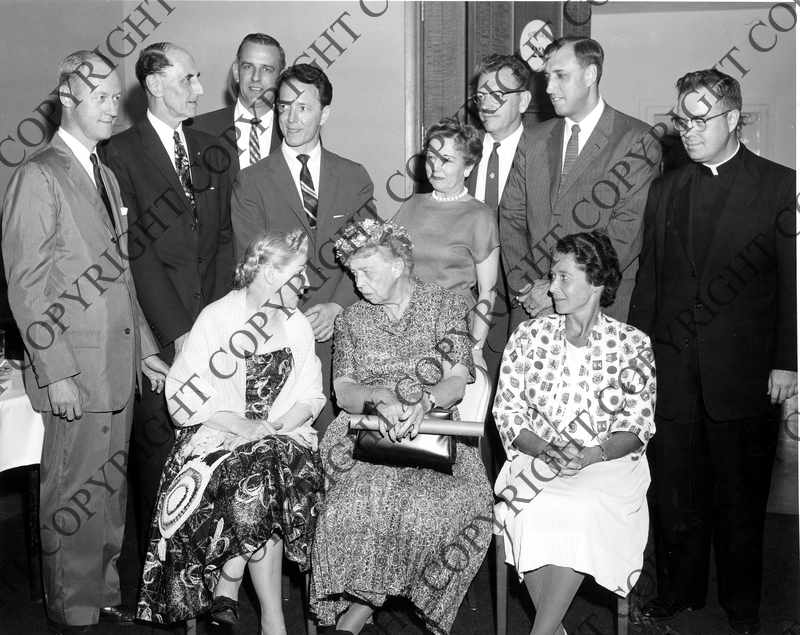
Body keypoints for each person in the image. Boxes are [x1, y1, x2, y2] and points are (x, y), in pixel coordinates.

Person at [1, 50, 168, 634]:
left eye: (115, 96)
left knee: (108, 492)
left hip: (117, 365)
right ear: (66, 97)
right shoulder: (38, 174)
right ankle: (71, 610)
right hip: (75, 371)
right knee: (71, 496)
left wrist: (146, 348)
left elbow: (120, 275)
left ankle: (101, 595)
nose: (112, 107)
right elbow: (26, 287)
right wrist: (58, 371)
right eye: (99, 95)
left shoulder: (106, 172)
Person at [629, 69, 797, 635]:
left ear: (733, 118)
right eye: (682, 119)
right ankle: (679, 593)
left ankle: (744, 607)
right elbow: (651, 281)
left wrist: (788, 359)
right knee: (677, 492)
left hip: (747, 373)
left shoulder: (780, 186)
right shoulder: (665, 188)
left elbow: (793, 284)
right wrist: (638, 358)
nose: (689, 130)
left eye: (700, 119)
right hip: (673, 369)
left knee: (741, 498)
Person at [310, 219, 493, 635]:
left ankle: (366, 611)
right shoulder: (352, 320)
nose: (358, 284)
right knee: (349, 507)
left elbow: (456, 378)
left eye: (367, 272)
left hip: (433, 432)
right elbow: (343, 391)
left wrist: (424, 400)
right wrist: (379, 396)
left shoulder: (444, 306)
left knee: (431, 509)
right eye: (354, 273)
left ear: (398, 266)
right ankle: (361, 604)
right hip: (363, 437)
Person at [137, 229, 324, 634]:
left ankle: (229, 580)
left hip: (281, 437)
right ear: (271, 274)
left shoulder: (297, 326)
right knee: (262, 476)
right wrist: (241, 425)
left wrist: (269, 429)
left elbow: (311, 397)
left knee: (267, 462)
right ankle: (272, 620)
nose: (307, 284)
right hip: (217, 435)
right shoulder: (219, 317)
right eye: (299, 273)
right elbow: (182, 395)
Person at [100, 42, 235, 551]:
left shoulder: (212, 148)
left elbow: (223, 239)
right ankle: (159, 579)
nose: (201, 89)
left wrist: (218, 321)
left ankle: (206, 565)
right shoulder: (118, 155)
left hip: (213, 326)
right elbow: (136, 254)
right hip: (160, 336)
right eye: (189, 79)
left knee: (211, 448)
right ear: (155, 84)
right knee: (158, 453)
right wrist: (178, 333)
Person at [493, 230, 656, 635]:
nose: (552, 288)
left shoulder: (632, 344)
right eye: (552, 276)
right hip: (538, 456)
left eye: (564, 277)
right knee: (520, 506)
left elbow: (637, 424)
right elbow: (508, 412)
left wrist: (591, 454)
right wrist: (547, 450)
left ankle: (541, 632)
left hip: (606, 464)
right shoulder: (529, 336)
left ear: (597, 283)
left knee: (580, 508)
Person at [232, 63, 374, 434]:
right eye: (283, 106)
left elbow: (368, 253)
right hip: (278, 331)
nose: (290, 119)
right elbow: (254, 265)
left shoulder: (354, 177)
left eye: (303, 108)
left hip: (343, 334)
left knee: (342, 444)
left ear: (325, 112)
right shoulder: (251, 182)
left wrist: (337, 306)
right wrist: (298, 316)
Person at [499, 36, 661, 332]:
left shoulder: (637, 139)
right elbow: (511, 217)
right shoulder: (532, 138)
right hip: (531, 305)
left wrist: (559, 289)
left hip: (598, 310)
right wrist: (533, 289)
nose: (548, 88)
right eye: (547, 77)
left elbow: (625, 234)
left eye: (561, 76)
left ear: (591, 75)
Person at [392, 117, 499, 368]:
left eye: (447, 160)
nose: (435, 167)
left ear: (468, 167)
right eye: (431, 156)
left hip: (452, 335)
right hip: (404, 330)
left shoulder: (479, 216)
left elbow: (488, 291)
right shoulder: (410, 206)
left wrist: (475, 347)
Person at [189, 33, 284, 182]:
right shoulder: (198, 129)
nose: (256, 77)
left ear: (279, 78)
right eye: (248, 66)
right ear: (236, 72)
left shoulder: (296, 132)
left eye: (266, 69)